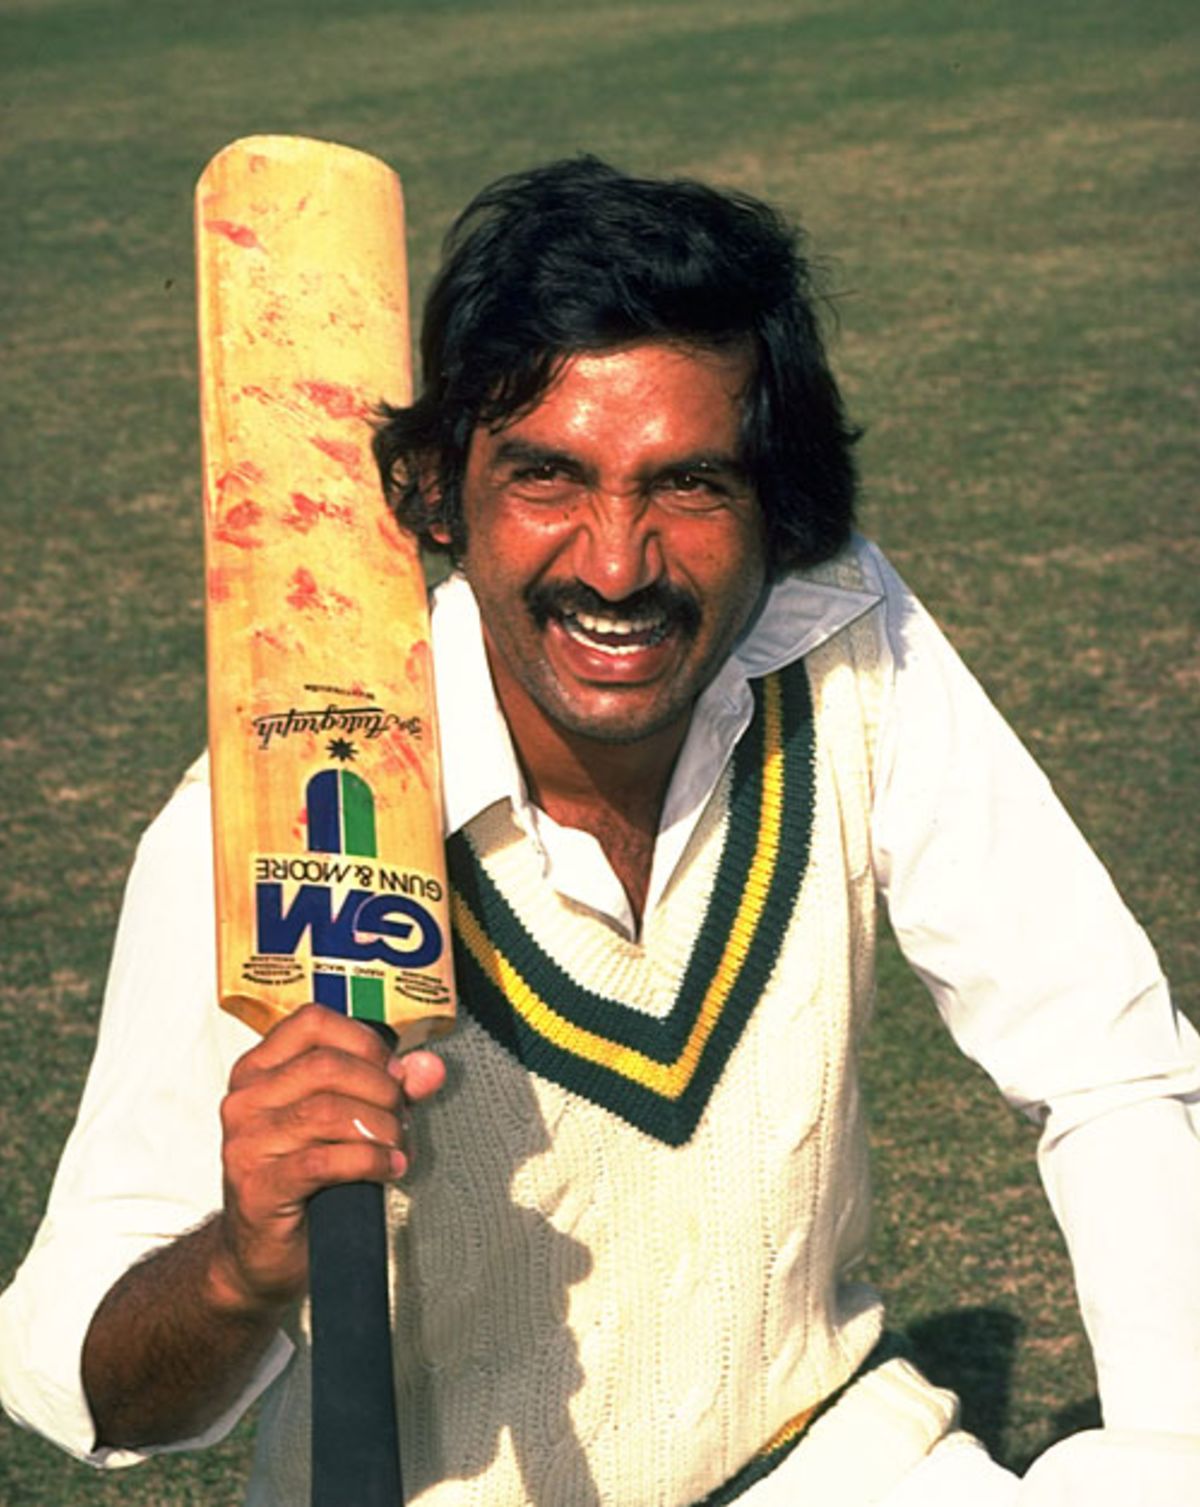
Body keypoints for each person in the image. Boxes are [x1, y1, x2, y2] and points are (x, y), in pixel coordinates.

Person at [2, 157, 1198, 1506]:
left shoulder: (842, 642)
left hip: (823, 1458)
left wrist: (1172, 1451)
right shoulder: (273, 817)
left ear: (778, 510)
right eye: (548, 478)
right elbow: (69, 1371)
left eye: (689, 485)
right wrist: (237, 1271)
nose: (617, 564)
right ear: (440, 495)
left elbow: (1108, 1061)